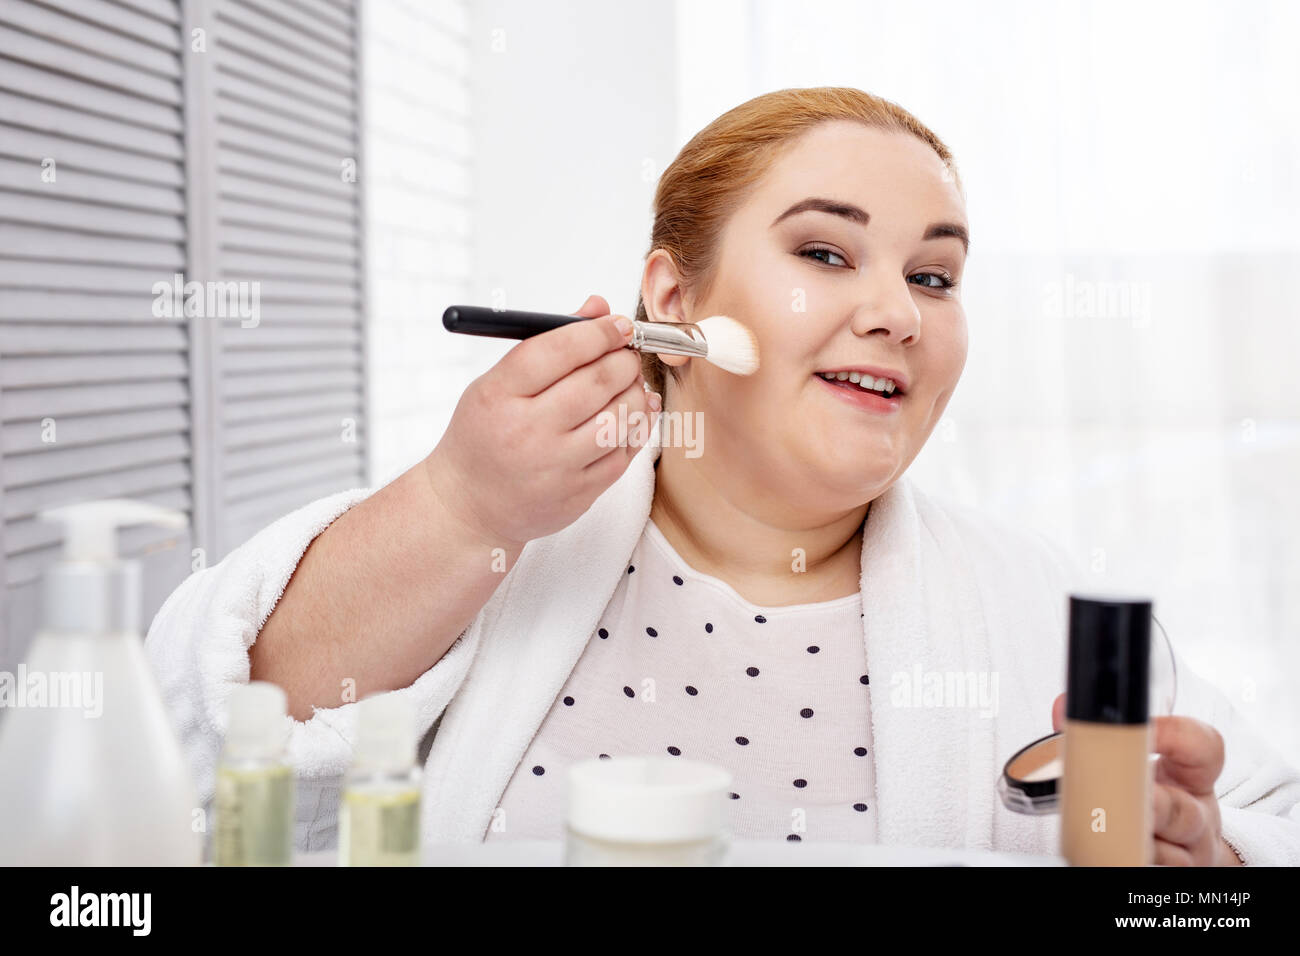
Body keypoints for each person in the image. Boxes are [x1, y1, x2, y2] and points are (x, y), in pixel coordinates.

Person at [146, 87, 1300, 864]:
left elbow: (1265, 822)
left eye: (935, 277)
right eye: (823, 252)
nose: (895, 312)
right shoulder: (497, 544)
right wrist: (461, 505)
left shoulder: (1036, 603)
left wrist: (1200, 868)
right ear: (673, 298)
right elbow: (208, 746)